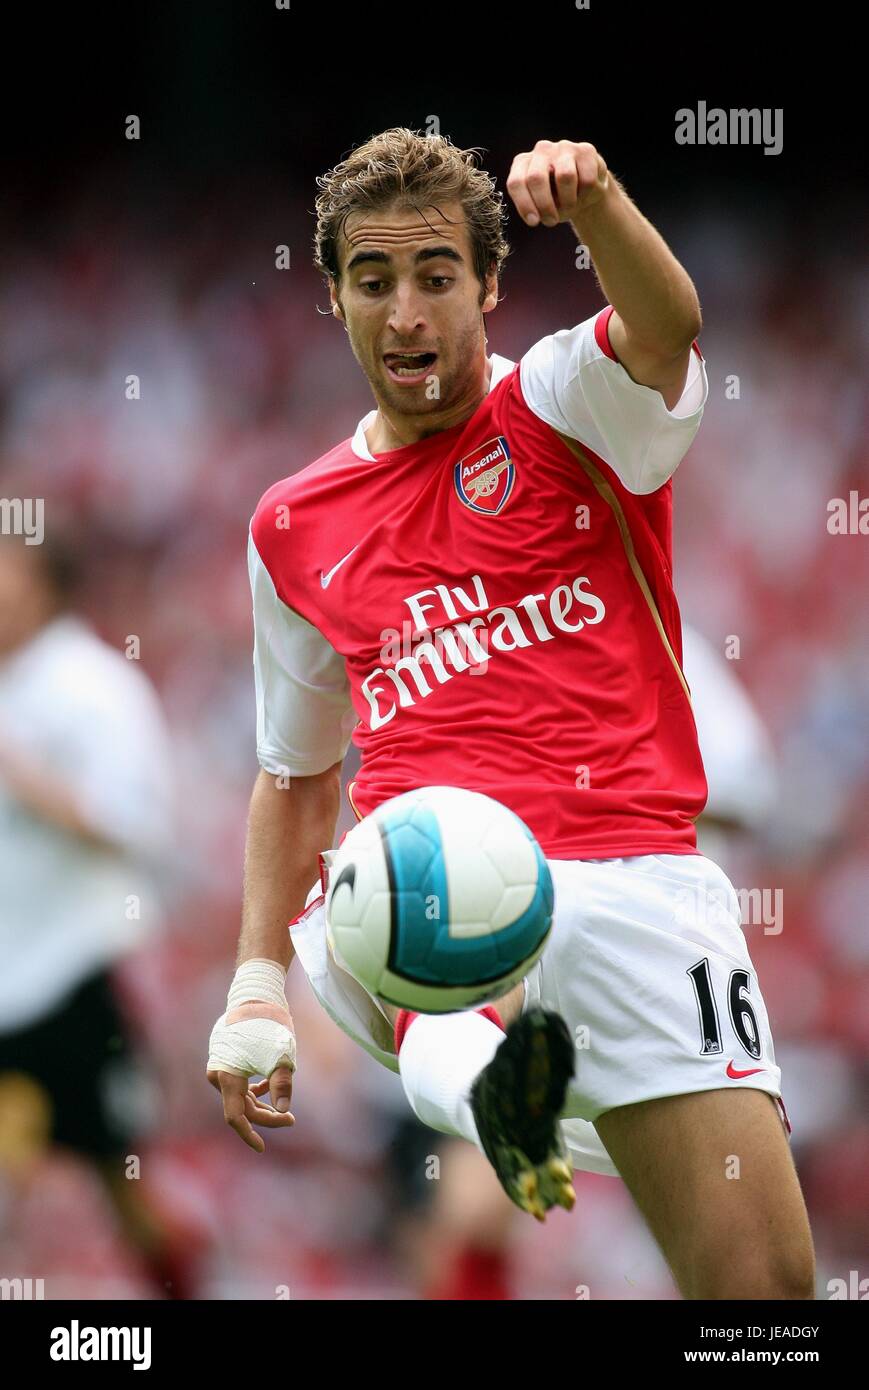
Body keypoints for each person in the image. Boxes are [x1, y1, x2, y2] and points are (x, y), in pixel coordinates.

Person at [208, 129, 815, 1299]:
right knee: (400, 899)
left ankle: (495, 1073)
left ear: (487, 283)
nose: (404, 314)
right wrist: (252, 983)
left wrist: (595, 204)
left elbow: (666, 323)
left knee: (766, 1296)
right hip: (422, 868)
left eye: (436, 276)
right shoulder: (290, 527)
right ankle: (491, 1084)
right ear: (331, 291)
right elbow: (294, 772)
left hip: (633, 880)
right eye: (372, 280)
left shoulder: (563, 400)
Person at [0, 528, 185, 1297]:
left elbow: (137, 818)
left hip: (76, 973)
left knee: (124, 1178)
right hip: (14, 978)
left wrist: (34, 784)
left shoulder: (91, 685)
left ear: (43, 582)